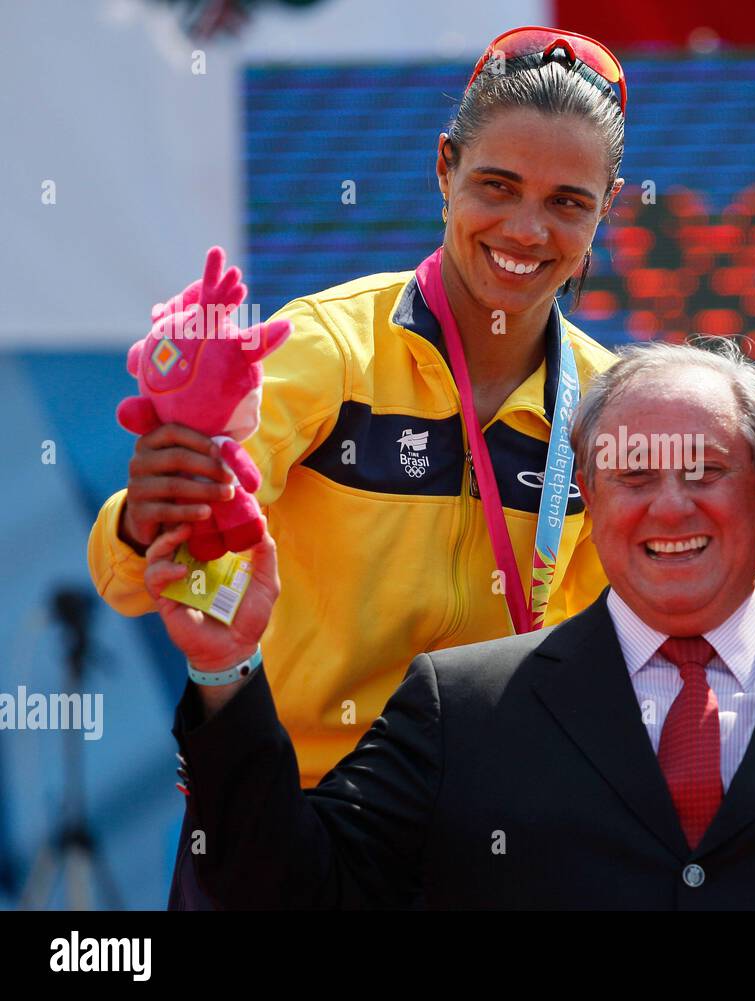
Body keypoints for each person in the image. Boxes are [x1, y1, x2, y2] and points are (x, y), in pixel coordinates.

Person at [141, 343, 755, 909]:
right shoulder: (459, 704)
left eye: (705, 471)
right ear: (584, 495)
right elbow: (284, 894)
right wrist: (231, 671)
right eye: (632, 473)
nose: (671, 507)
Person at [86, 27, 630, 791]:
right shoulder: (329, 348)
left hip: (498, 823)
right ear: (445, 169)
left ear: (607, 206)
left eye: (567, 202)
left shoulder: (611, 407)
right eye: (497, 186)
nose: (526, 230)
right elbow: (141, 578)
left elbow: (621, 646)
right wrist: (154, 524)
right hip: (301, 804)